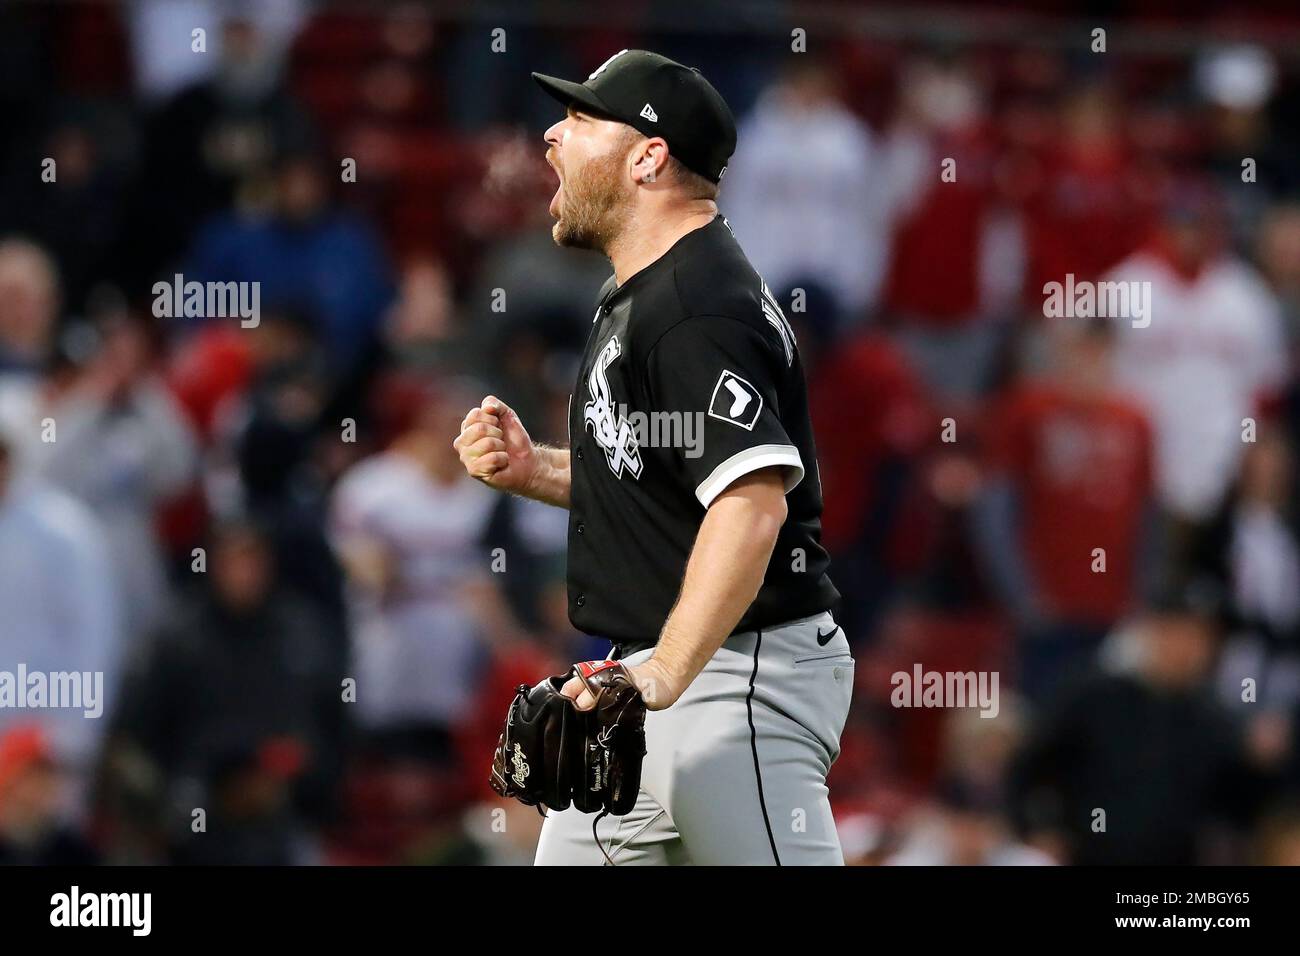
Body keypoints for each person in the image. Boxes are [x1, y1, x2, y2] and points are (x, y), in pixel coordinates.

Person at [454, 50, 850, 865]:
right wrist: (541, 471)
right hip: (643, 680)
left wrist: (666, 671)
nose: (552, 135)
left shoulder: (695, 307)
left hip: (736, 675)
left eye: (582, 119)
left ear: (648, 156)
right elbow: (670, 476)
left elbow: (753, 500)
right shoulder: (650, 289)